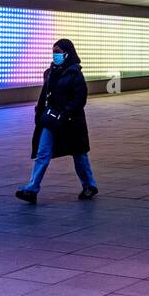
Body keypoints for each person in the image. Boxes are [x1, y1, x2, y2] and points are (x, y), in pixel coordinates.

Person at [16, 39, 95, 204]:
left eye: (58, 51)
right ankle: (32, 189)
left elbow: (80, 98)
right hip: (52, 120)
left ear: (67, 52)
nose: (55, 55)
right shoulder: (50, 72)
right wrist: (40, 113)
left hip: (71, 121)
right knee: (42, 153)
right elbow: (44, 95)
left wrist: (66, 112)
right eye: (54, 51)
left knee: (79, 154)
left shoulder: (75, 73)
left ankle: (89, 185)